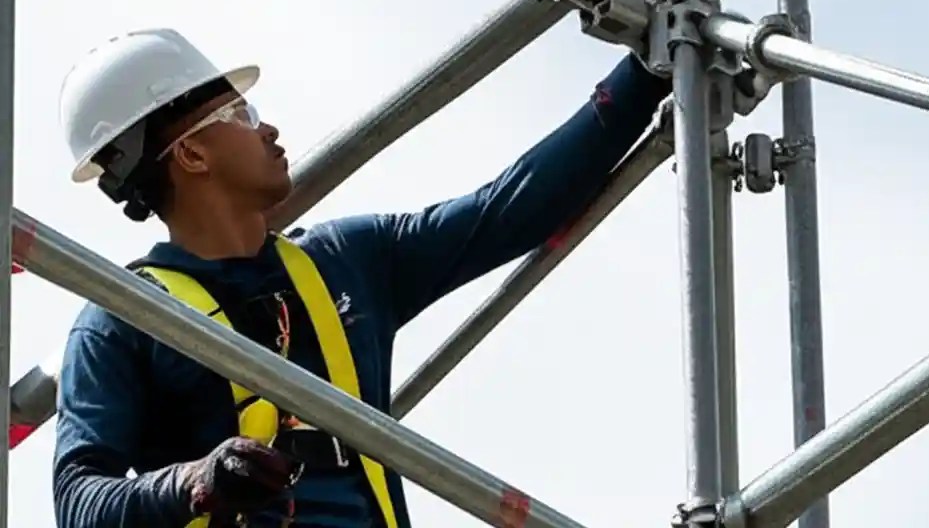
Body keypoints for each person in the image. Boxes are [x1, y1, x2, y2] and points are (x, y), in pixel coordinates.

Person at [49, 27, 673, 527]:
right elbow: (79, 500)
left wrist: (646, 75)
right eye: (240, 113)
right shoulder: (123, 320)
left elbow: (506, 212)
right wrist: (192, 483)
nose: (266, 128)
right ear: (191, 154)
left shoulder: (347, 259)